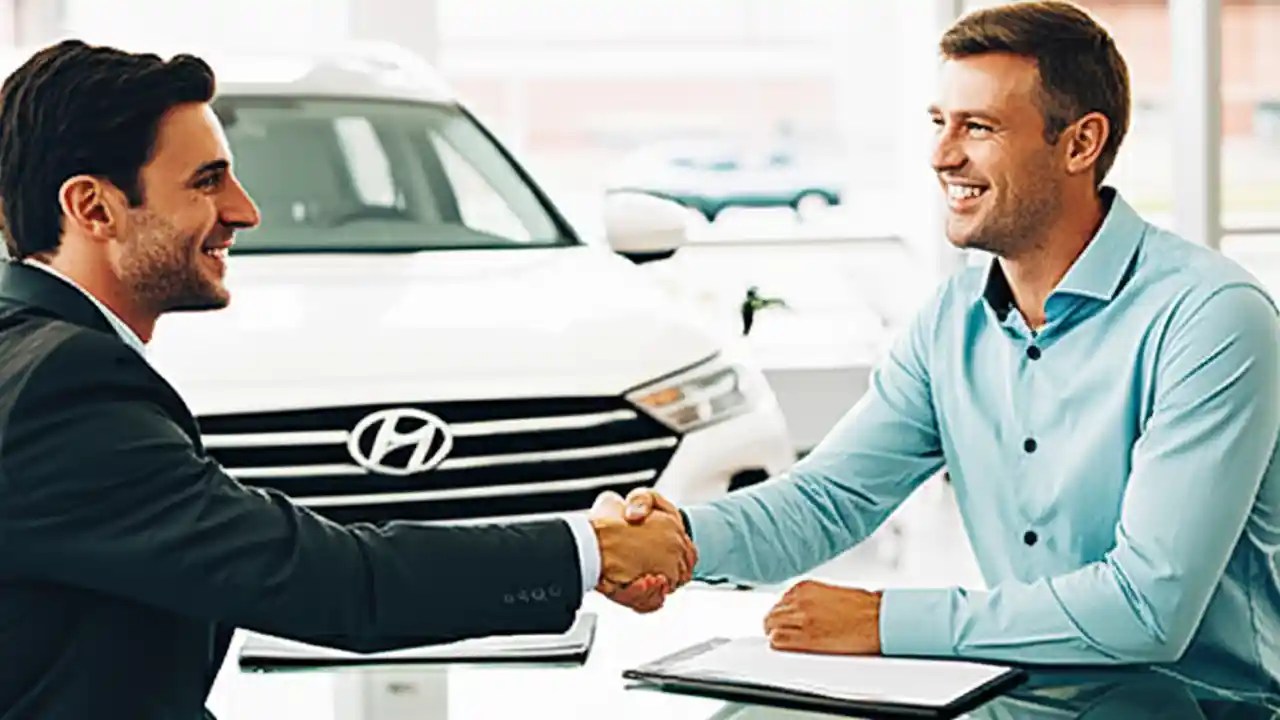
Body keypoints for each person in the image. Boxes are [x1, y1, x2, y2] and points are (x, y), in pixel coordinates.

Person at [0, 40, 690, 720]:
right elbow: (333, 581)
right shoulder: (64, 389)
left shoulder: (30, 349)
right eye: (207, 181)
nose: (245, 210)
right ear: (93, 208)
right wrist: (592, 550)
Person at [619, 0, 1280, 682]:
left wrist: (883, 622)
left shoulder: (1211, 319)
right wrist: (682, 541)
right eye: (940, 123)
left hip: (1206, 705)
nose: (941, 155)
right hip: (1023, 693)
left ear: (1080, 144)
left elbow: (1147, 608)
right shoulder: (952, 319)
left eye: (980, 127)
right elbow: (829, 500)